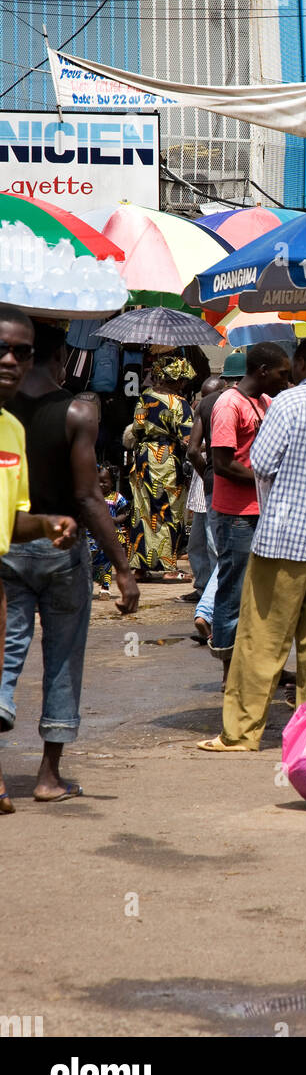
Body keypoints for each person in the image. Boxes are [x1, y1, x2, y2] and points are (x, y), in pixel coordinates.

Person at [197, 338, 306, 752]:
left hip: (285, 537)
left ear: (300, 363)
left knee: (263, 639)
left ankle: (241, 733)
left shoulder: (288, 405)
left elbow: (262, 464)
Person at [0, 320, 137, 806]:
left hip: (8, 543)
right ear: (57, 359)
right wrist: (122, 568)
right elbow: (88, 496)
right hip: (62, 547)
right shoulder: (78, 411)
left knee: (5, 656)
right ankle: (47, 777)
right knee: (62, 660)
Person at [0, 308, 79, 813]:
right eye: (1, 349)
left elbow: (11, 519)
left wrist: (50, 525)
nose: (10, 360)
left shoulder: (11, 429)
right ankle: (48, 776)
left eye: (21, 352)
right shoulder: (77, 411)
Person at [207, 342, 292, 678]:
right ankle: (231, 668)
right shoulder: (228, 405)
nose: (286, 381)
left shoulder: (266, 403)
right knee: (235, 589)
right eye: (282, 374)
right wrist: (267, 477)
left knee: (265, 591)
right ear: (263, 371)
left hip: (264, 511)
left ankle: (263, 664)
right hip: (236, 514)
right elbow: (222, 464)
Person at [127, 354, 195, 581]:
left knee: (142, 510)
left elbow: (137, 428)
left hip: (143, 458)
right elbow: (187, 439)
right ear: (176, 380)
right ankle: (168, 569)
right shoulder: (180, 404)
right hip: (167, 460)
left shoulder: (145, 397)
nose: (184, 384)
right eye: (183, 380)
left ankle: (139, 568)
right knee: (168, 511)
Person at [185, 372, 229, 599]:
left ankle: (213, 593)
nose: (205, 402)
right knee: (197, 543)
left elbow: (194, 449)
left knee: (213, 545)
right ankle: (203, 586)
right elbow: (193, 450)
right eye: (203, 397)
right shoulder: (206, 412)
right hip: (204, 483)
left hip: (211, 483)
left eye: (208, 396)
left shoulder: (223, 411)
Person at [87, 464, 131, 596]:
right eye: (98, 482)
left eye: (104, 482)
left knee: (106, 563)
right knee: (87, 562)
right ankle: (86, 586)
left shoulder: (117, 497)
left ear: (112, 482)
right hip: (91, 537)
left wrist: (115, 520)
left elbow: (124, 513)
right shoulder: (90, 496)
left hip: (109, 537)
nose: (101, 485)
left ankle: (105, 588)